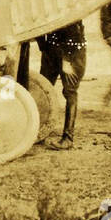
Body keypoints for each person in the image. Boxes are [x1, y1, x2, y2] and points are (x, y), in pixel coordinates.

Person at [36, 21, 86, 149]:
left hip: (72, 53)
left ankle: (68, 138)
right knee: (43, 89)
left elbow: (74, 31)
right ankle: (39, 132)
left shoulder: (70, 3)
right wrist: (44, 47)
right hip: (51, 51)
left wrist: (67, 60)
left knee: (70, 92)